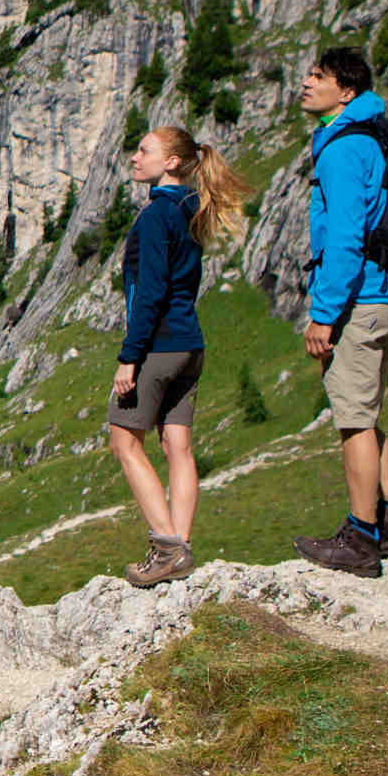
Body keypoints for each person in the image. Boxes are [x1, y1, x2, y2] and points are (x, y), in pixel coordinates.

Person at [292, 46, 388, 576]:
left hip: (357, 301)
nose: (305, 83)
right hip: (381, 294)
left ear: (345, 92)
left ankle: (361, 540)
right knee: (367, 416)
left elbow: (344, 236)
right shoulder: (370, 139)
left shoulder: (344, 149)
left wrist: (324, 314)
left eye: (317, 77)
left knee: (353, 423)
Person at [109, 124, 248, 588]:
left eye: (144, 150)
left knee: (125, 441)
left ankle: (166, 548)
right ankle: (181, 549)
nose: (134, 157)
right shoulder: (193, 210)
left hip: (159, 346)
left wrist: (130, 358)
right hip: (191, 345)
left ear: (170, 162)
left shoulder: (154, 217)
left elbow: (149, 293)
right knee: (178, 447)